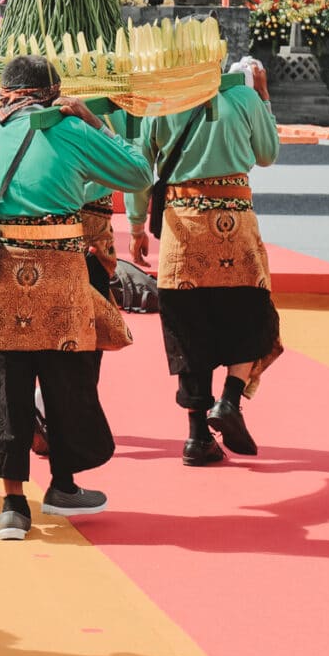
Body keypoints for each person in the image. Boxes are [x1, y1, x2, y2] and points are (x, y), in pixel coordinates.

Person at [0, 56, 148, 536]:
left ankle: (12, 506)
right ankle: (64, 486)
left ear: (4, 96)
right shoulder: (72, 132)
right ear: (53, 93)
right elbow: (137, 174)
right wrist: (93, 120)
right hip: (63, 282)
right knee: (67, 381)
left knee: (3, 388)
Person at [127, 71, 282, 465]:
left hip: (183, 225)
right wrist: (263, 99)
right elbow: (267, 155)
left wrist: (135, 225)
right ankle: (229, 399)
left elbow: (140, 169)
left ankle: (197, 438)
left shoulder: (162, 99)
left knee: (188, 326)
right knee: (250, 313)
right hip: (237, 221)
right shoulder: (244, 99)